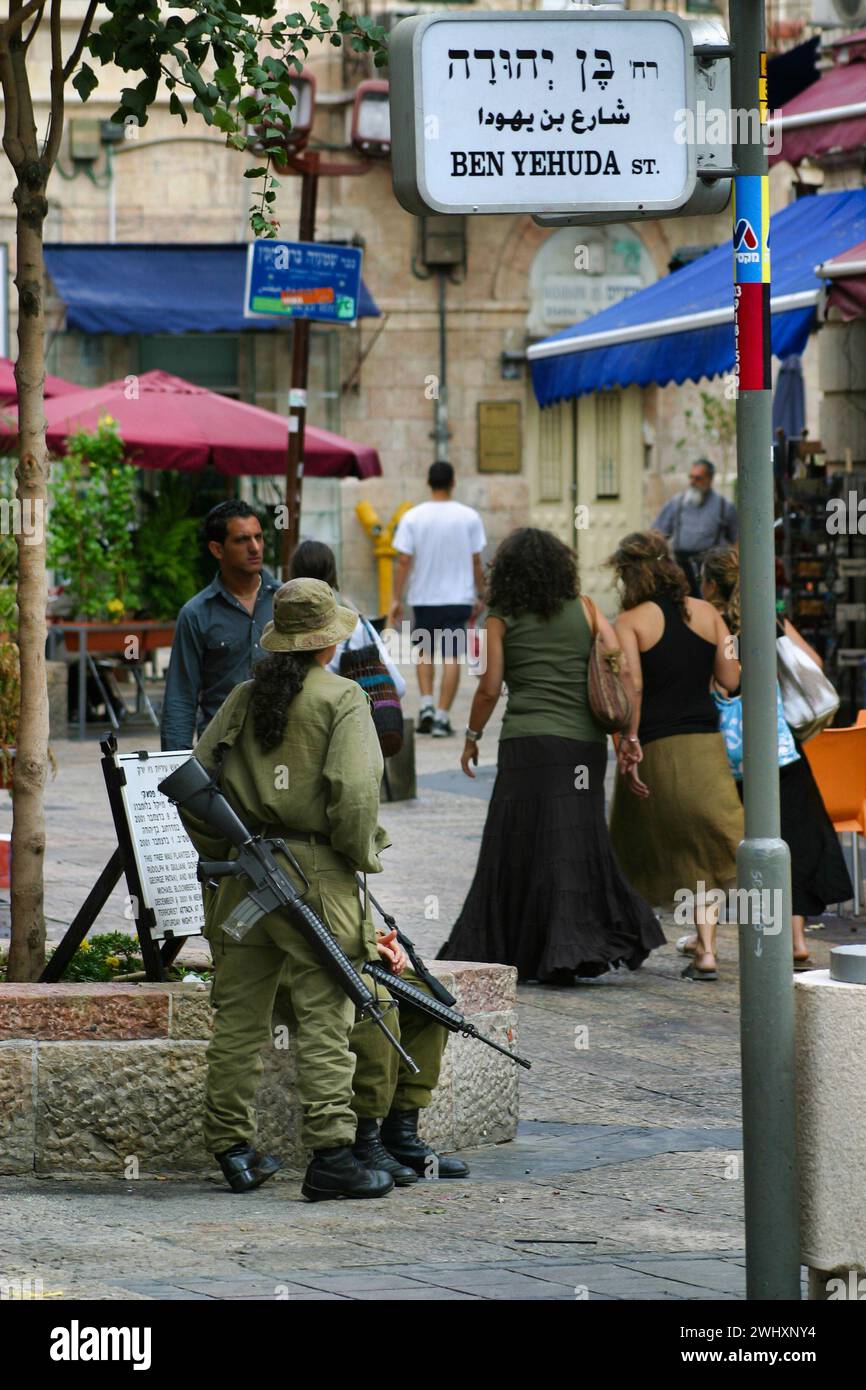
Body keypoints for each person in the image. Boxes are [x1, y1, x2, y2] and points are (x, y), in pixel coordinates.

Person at [177, 578, 400, 1200]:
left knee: (239, 1020)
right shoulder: (344, 698)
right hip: (313, 873)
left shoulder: (246, 696)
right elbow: (354, 793)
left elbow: (193, 779)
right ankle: (331, 1153)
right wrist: (356, 858)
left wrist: (222, 851)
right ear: (328, 641)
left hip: (246, 878)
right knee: (327, 1013)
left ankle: (233, 1148)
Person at [286, 540, 468, 1181]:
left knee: (426, 994)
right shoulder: (329, 702)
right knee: (373, 1000)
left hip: (337, 890)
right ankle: (357, 1144)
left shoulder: (332, 695)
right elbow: (356, 804)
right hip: (308, 893)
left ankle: (400, 1129)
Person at [437, 528, 665, 984]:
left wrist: (471, 736)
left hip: (527, 745)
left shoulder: (500, 616)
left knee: (520, 842)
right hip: (582, 744)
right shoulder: (585, 608)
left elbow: (489, 686)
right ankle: (573, 948)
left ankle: (522, 946)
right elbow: (616, 657)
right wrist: (625, 733)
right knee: (577, 843)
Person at [700, 545, 853, 969]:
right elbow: (813, 662)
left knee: (712, 851)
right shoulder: (768, 617)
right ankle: (797, 940)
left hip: (726, 754)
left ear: (710, 583)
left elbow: (723, 682)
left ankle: (706, 944)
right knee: (795, 839)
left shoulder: (707, 622)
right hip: (779, 747)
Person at [608, 532, 744, 982]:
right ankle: (706, 948)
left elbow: (633, 686)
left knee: (641, 843)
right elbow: (730, 676)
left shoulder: (629, 621)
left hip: (656, 747)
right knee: (706, 845)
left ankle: (629, 934)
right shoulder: (708, 614)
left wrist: (628, 740)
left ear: (629, 574)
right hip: (707, 745)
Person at [160, 501, 280, 751]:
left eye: (258, 537)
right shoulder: (196, 614)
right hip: (223, 752)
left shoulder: (286, 600)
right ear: (217, 549)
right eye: (242, 540)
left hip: (282, 748)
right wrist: (176, 766)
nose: (255, 547)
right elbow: (180, 697)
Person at [387, 461, 486, 738]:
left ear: (428, 483)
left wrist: (396, 598)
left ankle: (427, 706)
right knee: (452, 655)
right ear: (453, 482)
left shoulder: (413, 517)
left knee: (425, 651)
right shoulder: (469, 517)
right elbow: (476, 561)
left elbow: (404, 561)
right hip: (458, 598)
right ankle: (442, 718)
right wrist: (482, 593)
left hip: (424, 598)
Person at [289, 539, 406, 699]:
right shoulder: (354, 624)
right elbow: (398, 686)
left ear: (292, 576)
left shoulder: (280, 626)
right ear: (333, 574)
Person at [652, 459, 738, 598]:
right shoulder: (676, 503)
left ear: (710, 479)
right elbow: (657, 534)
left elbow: (737, 539)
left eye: (698, 478)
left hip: (711, 572)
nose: (692, 482)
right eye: (691, 477)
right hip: (681, 569)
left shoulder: (724, 506)